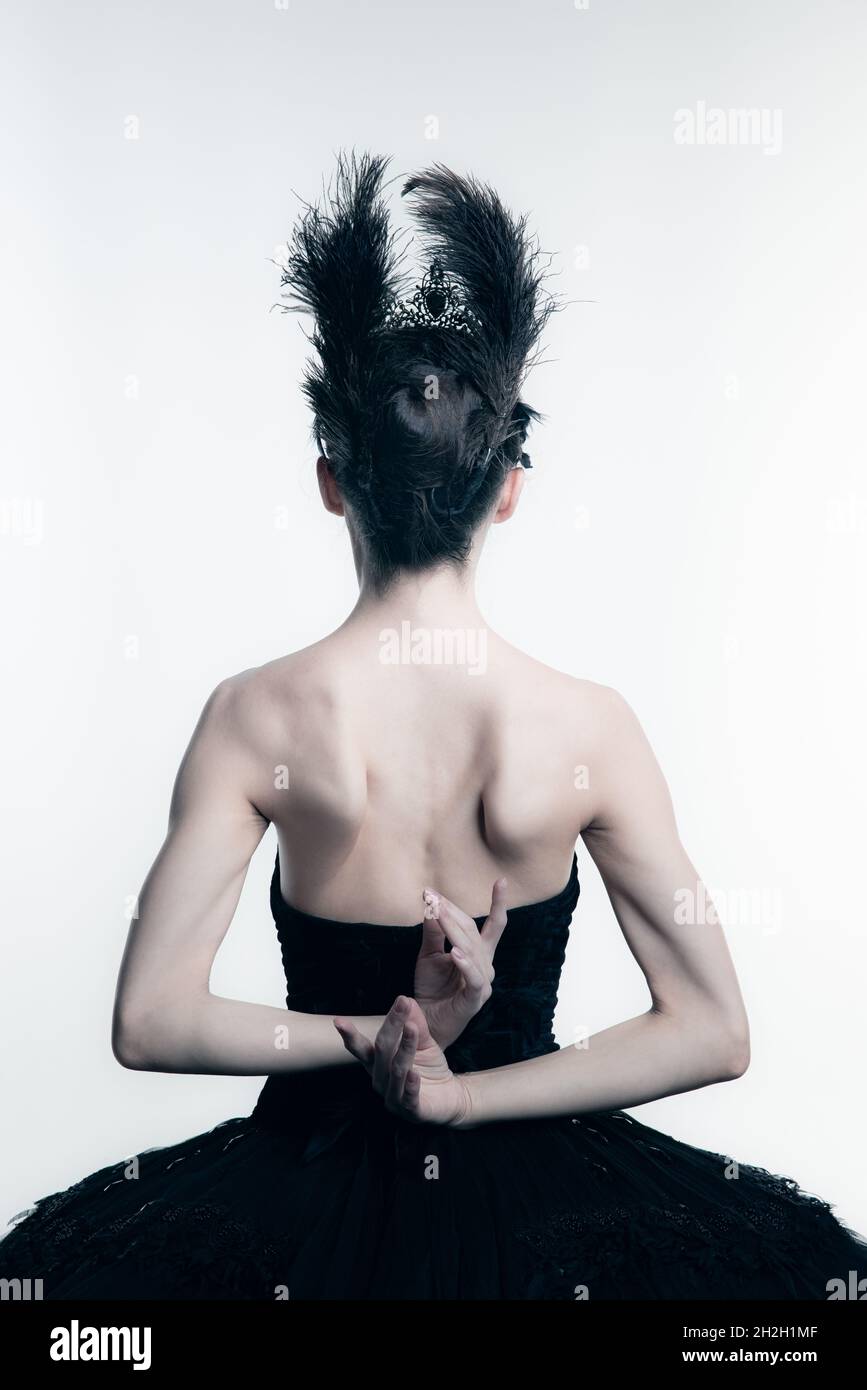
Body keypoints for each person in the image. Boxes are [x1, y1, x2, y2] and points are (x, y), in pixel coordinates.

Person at [1, 154, 864, 1299]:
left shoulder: (253, 716)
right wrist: (458, 1083)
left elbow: (150, 1019)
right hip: (555, 1209)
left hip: (294, 1196)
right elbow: (714, 1030)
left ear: (329, 481)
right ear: (506, 488)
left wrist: (376, 1031)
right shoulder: (590, 729)